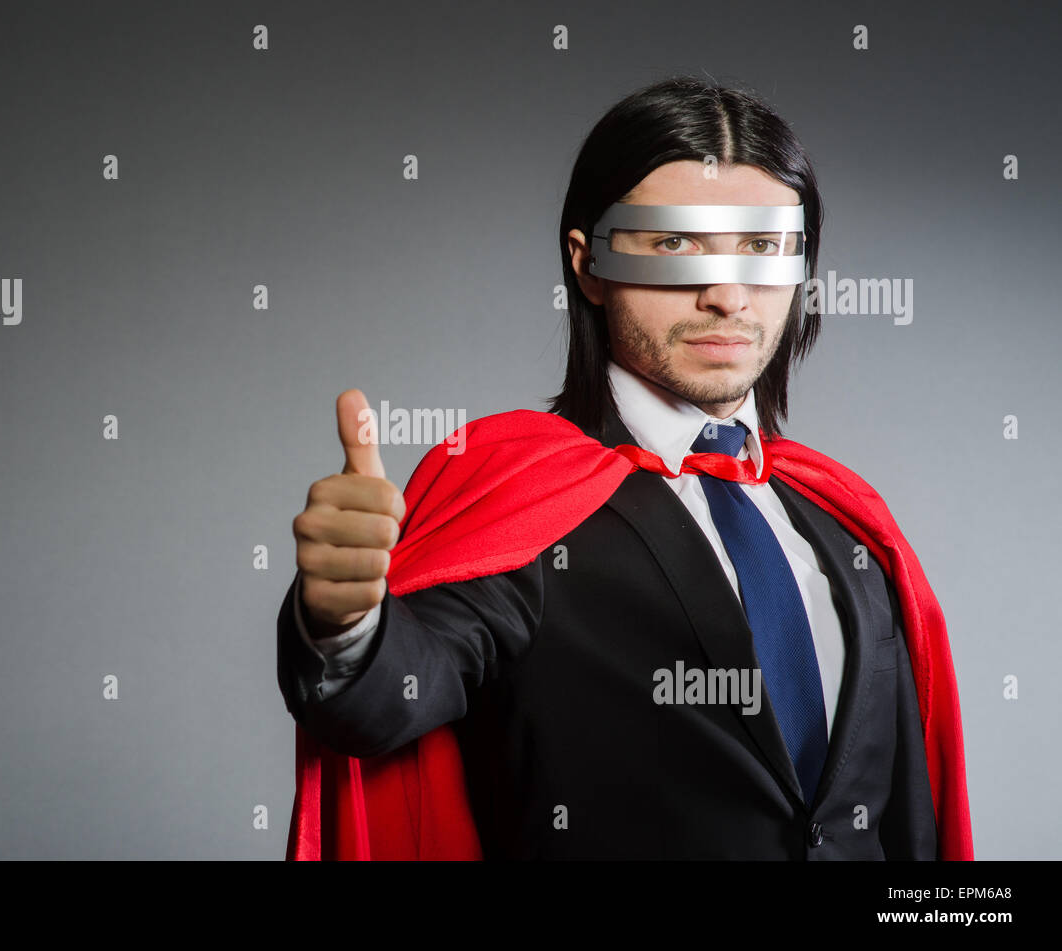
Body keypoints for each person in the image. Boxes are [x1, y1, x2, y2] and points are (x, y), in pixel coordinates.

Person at [275, 76, 971, 860]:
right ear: (589, 264)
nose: (725, 293)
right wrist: (344, 622)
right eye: (674, 244)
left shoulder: (846, 519)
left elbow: (908, 819)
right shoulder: (518, 494)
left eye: (762, 247)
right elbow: (385, 699)